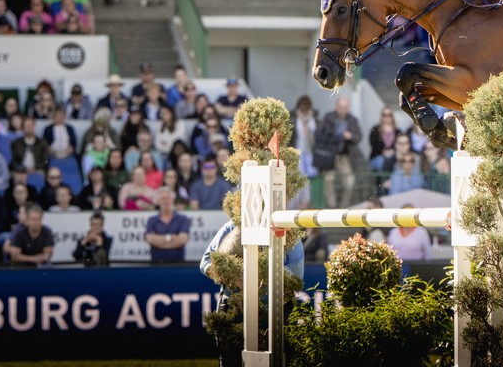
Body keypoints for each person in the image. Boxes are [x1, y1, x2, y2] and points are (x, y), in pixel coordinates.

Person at [200, 219, 305, 367]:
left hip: (277, 310)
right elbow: (206, 262)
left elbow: (297, 273)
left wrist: (262, 276)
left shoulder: (286, 226)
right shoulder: (233, 225)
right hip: (235, 308)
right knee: (231, 360)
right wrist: (234, 276)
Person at [312, 97, 362, 208]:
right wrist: (334, 134)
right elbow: (320, 133)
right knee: (329, 181)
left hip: (344, 155)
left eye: (345, 108)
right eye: (340, 107)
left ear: (348, 108)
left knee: (349, 182)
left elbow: (358, 137)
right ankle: (332, 206)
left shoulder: (352, 120)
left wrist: (350, 136)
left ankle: (344, 206)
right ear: (336, 107)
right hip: (330, 154)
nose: (342, 110)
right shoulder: (328, 117)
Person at [144, 186, 190, 263]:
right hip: (156, 264)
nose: (166, 201)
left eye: (168, 198)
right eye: (163, 199)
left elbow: (182, 240)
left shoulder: (183, 219)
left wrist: (159, 242)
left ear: (173, 200)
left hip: (179, 265)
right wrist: (171, 238)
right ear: (158, 201)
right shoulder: (152, 220)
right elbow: (150, 239)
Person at [7, 203, 54, 267]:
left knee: (48, 266)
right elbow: (15, 256)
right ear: (27, 220)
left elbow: (47, 253)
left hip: (40, 265)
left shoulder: (47, 231)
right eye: (33, 219)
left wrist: (45, 256)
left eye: (39, 219)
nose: (36, 222)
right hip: (21, 265)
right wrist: (34, 259)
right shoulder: (19, 232)